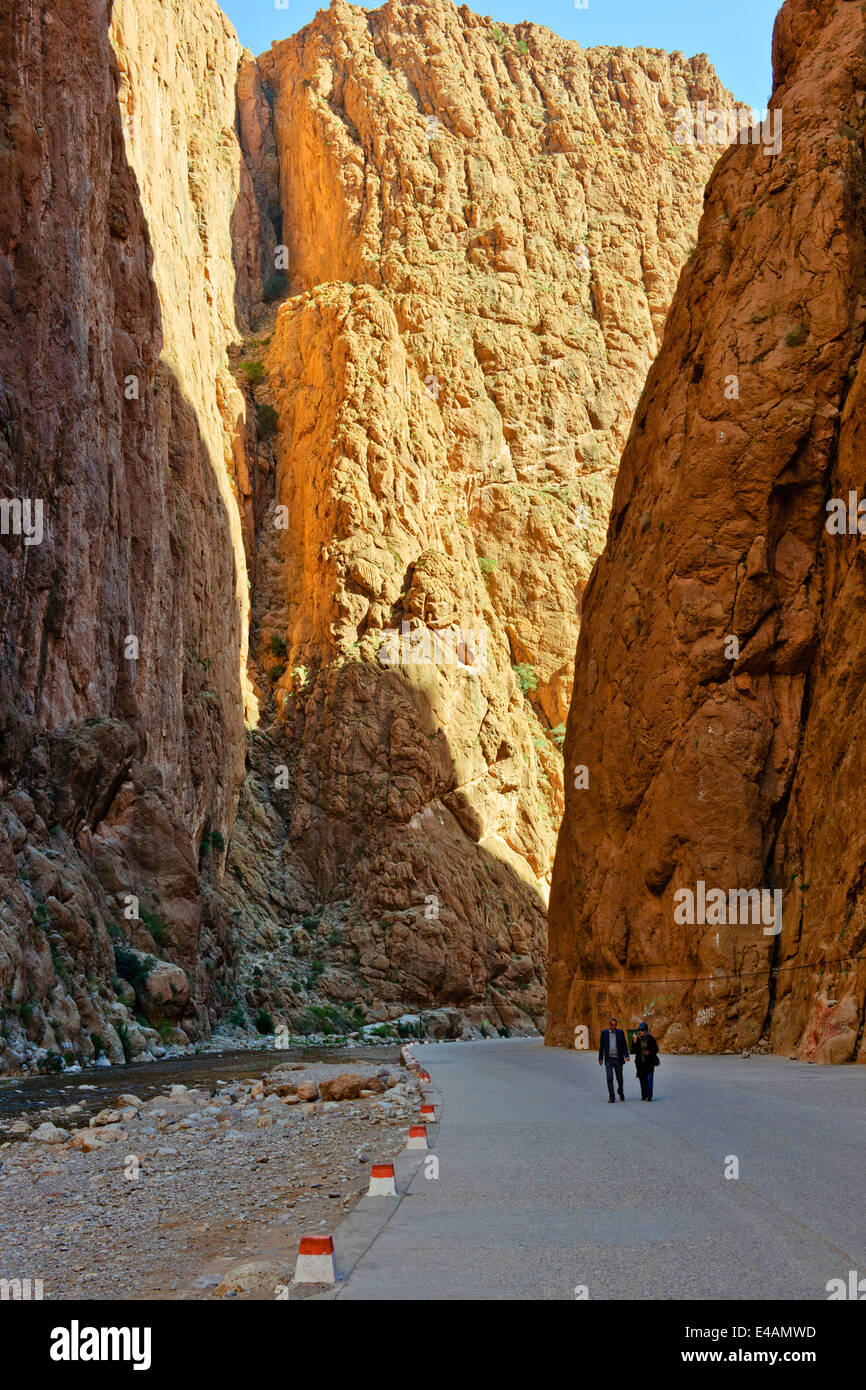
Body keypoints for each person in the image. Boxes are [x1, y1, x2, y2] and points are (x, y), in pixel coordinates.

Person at [598, 1015, 629, 1102]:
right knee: (609, 1078)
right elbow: (602, 1047)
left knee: (620, 1078)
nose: (614, 1027)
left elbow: (624, 1046)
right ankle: (612, 1097)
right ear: (609, 1025)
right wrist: (600, 1058)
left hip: (618, 1059)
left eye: (615, 1025)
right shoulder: (604, 1034)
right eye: (612, 1025)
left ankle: (620, 1091)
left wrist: (626, 1055)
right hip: (609, 1059)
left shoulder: (620, 1033)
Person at [633, 1021, 659, 1100]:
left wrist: (649, 1052)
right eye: (639, 1030)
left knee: (649, 1079)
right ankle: (644, 1095)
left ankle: (649, 1096)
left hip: (649, 1063)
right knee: (642, 1080)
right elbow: (633, 1050)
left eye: (642, 1030)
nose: (640, 1031)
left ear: (646, 1030)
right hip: (640, 1063)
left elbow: (656, 1049)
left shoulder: (651, 1038)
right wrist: (634, 1042)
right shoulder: (636, 1038)